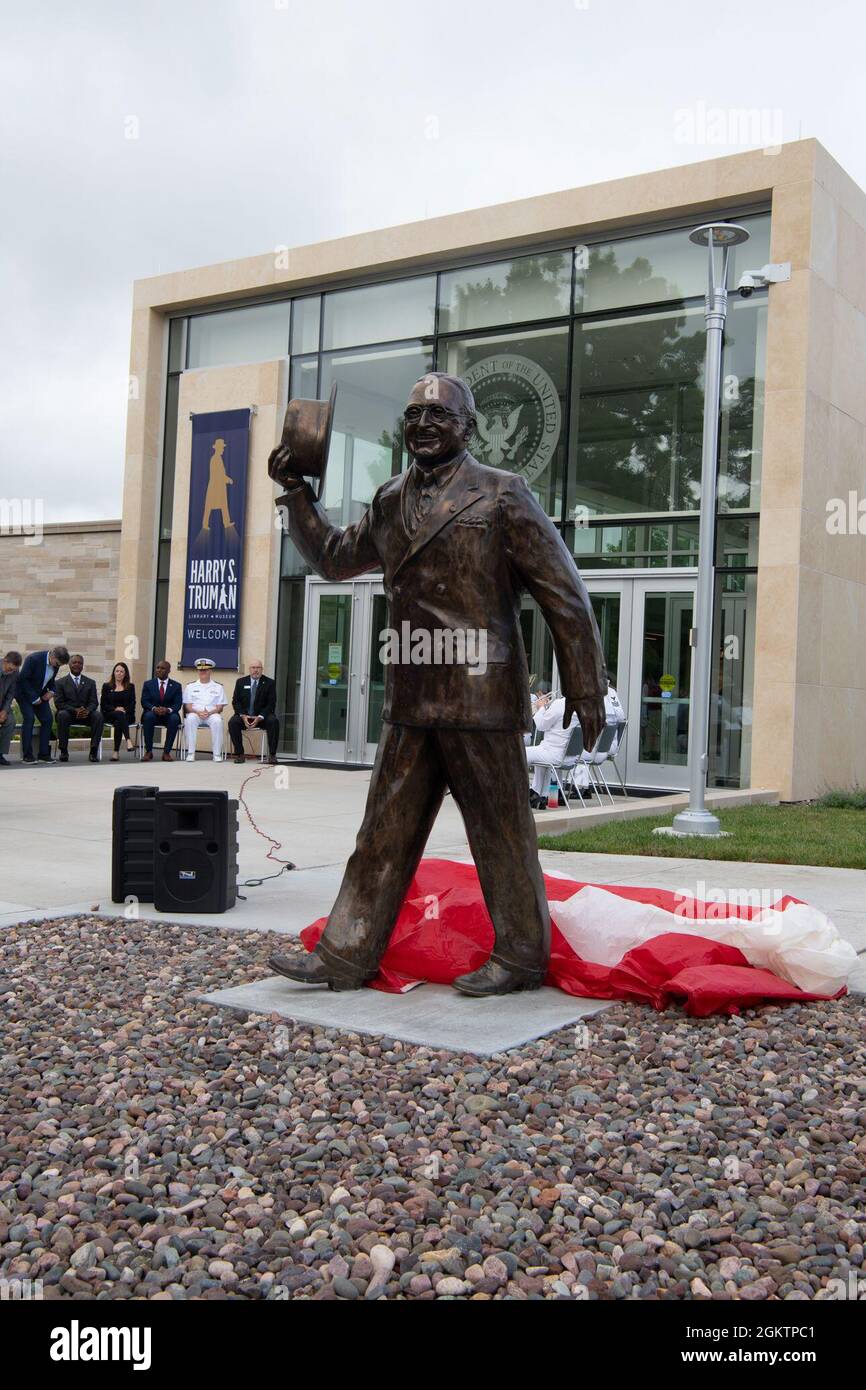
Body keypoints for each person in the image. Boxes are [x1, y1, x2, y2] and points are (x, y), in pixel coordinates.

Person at [266, 370, 605, 997]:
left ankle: (523, 956)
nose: (423, 426)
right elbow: (338, 558)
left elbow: (564, 595)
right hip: (413, 697)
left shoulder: (503, 494)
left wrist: (584, 685)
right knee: (381, 834)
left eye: (439, 416)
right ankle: (346, 951)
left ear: (467, 427)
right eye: (414, 415)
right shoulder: (391, 498)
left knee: (501, 833)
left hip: (480, 698)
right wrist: (296, 494)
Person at [526, 690, 591, 808]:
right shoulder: (584, 707)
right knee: (540, 760)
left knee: (521, 753)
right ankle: (539, 795)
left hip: (554, 754)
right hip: (570, 758)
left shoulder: (560, 704)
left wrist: (541, 707)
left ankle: (517, 792)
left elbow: (541, 725)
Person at [17, 645, 69, 762]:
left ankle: (43, 754)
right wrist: (34, 698)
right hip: (24, 694)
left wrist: (52, 691)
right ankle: (27, 755)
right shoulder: (33, 659)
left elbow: (51, 681)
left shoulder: (55, 664)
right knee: (29, 719)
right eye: (57, 664)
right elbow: (23, 680)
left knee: (47, 719)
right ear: (52, 656)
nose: (58, 666)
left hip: (40, 695)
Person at [53, 654, 104, 762]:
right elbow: (59, 703)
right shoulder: (60, 683)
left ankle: (93, 751)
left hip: (86, 715)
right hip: (68, 714)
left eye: (79, 663)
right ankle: (63, 751)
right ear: (69, 665)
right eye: (74, 662)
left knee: (98, 716)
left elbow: (94, 702)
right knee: (62, 714)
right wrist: (74, 710)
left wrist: (87, 711)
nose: (77, 665)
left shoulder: (90, 682)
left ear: (82, 666)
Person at [228, 659, 279, 764]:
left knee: (273, 721)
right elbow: (236, 702)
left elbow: (271, 704)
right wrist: (243, 715)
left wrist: (260, 717)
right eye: (253, 668)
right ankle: (240, 754)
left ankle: (272, 755)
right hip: (245, 716)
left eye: (258, 668)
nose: (256, 670)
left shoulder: (269, 683)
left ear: (262, 669)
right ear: (249, 669)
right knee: (233, 722)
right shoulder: (241, 682)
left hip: (261, 717)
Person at [182, 658, 227, 761]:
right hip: (195, 713)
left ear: (210, 671)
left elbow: (220, 707)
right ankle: (190, 753)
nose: (202, 672)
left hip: (212, 714)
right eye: (200, 670)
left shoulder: (218, 687)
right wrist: (198, 712)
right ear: (198, 671)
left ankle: (217, 754)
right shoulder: (190, 686)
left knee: (217, 721)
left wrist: (209, 712)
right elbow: (188, 706)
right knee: (190, 719)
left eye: (205, 670)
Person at [140, 660, 183, 761]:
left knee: (174, 719)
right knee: (148, 716)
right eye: (158, 667)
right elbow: (144, 701)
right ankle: (149, 751)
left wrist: (167, 709)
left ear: (169, 671)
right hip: (153, 713)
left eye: (162, 668)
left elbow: (178, 703)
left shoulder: (176, 686)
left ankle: (166, 752)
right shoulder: (148, 684)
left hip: (168, 715)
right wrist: (154, 708)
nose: (159, 670)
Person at [100, 662, 137, 760]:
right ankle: (128, 740)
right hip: (110, 714)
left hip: (127, 715)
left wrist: (124, 710)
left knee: (118, 722)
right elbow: (103, 705)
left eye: (121, 671)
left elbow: (132, 703)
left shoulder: (130, 687)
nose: (119, 673)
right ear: (114, 673)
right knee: (118, 715)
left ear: (125, 674)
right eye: (117, 671)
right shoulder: (106, 686)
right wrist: (115, 709)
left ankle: (116, 752)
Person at [0, 651, 22, 766]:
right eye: (10, 669)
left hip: (3, 705)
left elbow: (11, 693)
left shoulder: (15, 672)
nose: (12, 671)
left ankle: (0, 754)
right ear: (5, 661)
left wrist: (4, 710)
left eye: (14, 669)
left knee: (10, 721)